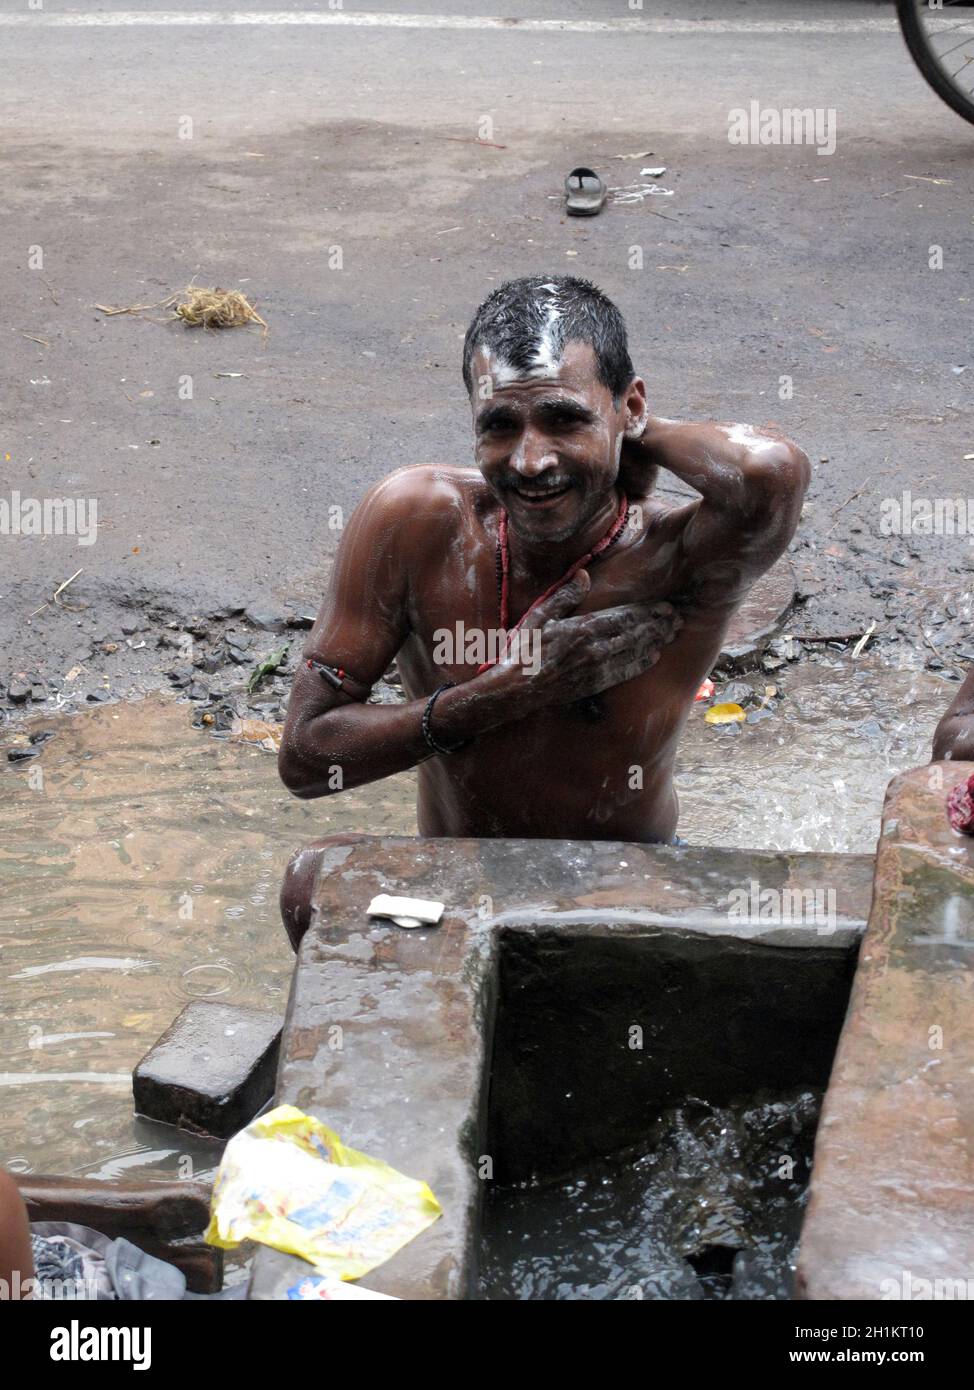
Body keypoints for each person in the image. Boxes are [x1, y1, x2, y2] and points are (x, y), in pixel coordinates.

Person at [278, 276, 809, 947]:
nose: (530, 462)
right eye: (500, 426)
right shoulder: (415, 520)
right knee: (312, 884)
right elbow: (304, 758)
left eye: (565, 418)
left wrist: (637, 438)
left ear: (631, 404)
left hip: (627, 889)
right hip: (456, 888)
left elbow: (773, 473)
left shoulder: (678, 555)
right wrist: (499, 695)